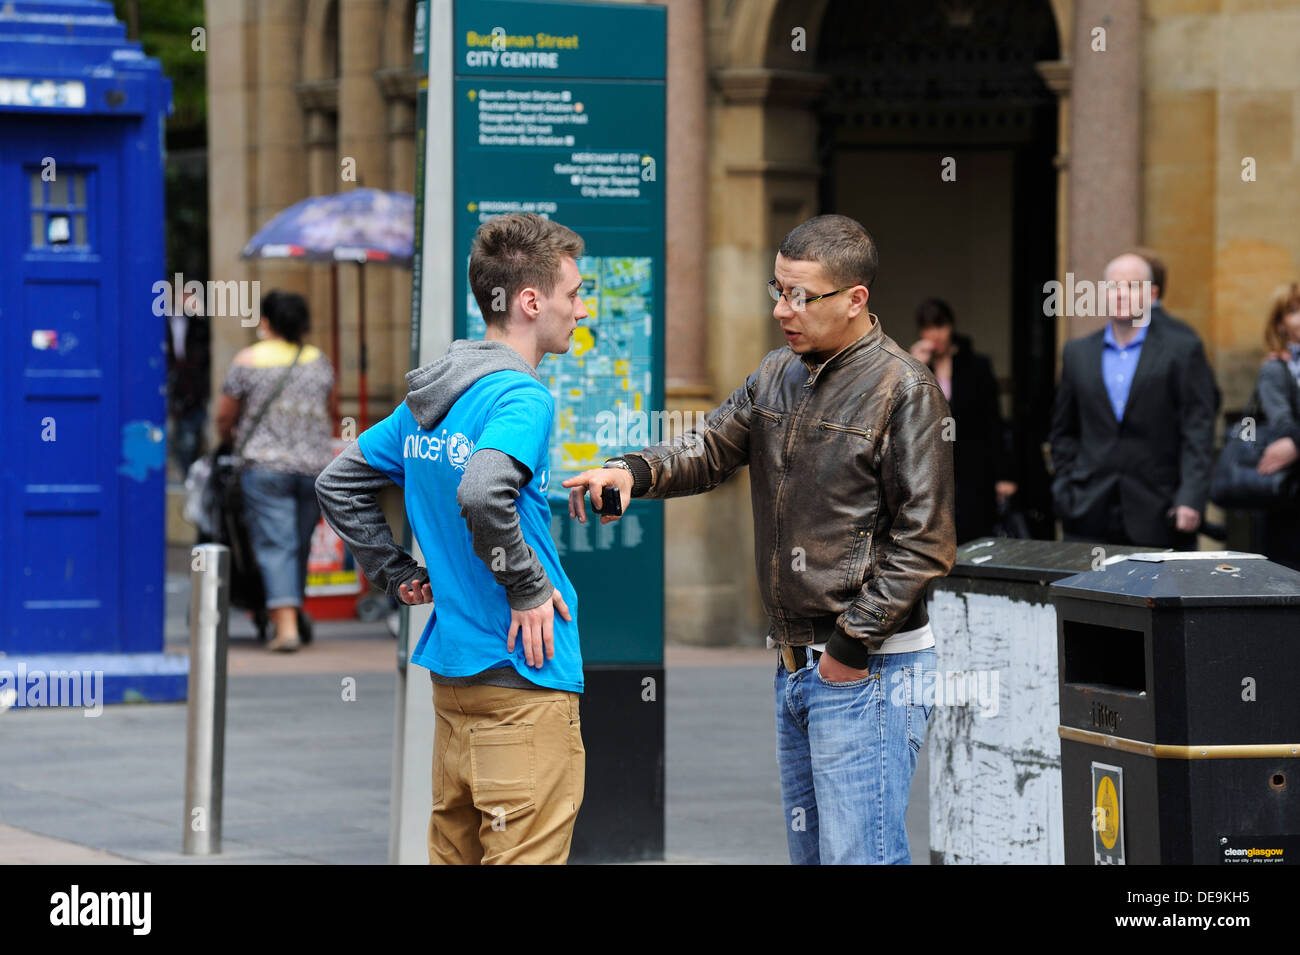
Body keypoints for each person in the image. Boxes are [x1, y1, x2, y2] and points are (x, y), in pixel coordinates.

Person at [563, 214, 956, 865]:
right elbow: (710, 445)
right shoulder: (778, 372)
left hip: (869, 666)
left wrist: (852, 646)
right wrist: (631, 470)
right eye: (777, 289)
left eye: (801, 295)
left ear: (856, 298)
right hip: (799, 662)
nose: (782, 309)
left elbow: (926, 544)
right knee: (815, 856)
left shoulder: (905, 389)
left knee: (861, 856)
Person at [315, 213, 587, 865]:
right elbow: (481, 487)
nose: (580, 310)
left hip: (457, 679)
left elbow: (338, 480)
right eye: (573, 294)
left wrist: (395, 571)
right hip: (524, 674)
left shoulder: (430, 399)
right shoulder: (522, 397)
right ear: (531, 301)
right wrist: (526, 589)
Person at [1049, 252, 1219, 549]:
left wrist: (1190, 498)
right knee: (1087, 595)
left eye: (1132, 286)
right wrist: (1066, 488)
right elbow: (1064, 431)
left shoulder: (1182, 349)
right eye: (1113, 286)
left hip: (1161, 511)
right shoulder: (1077, 353)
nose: (1121, 294)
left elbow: (1198, 431)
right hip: (1087, 511)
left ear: (1152, 294)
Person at [215, 291, 337, 652]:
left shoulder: (248, 360)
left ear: (266, 322)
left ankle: (286, 628)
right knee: (298, 544)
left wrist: (228, 440)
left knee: (275, 545)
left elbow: (225, 415)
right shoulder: (319, 362)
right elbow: (332, 408)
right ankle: (292, 613)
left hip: (264, 468)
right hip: (313, 470)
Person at [908, 297, 1017, 542]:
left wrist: (1004, 475)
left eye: (940, 326)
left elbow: (993, 422)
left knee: (973, 536)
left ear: (951, 327)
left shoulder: (976, 365)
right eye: (927, 328)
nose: (934, 334)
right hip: (932, 470)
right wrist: (914, 368)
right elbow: (908, 418)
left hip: (973, 466)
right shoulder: (915, 366)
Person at [1251, 283, 1300, 570]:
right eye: (1293, 311)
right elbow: (1282, 425)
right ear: (1280, 324)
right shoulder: (1276, 369)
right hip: (1290, 499)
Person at [165, 284, 211, 476]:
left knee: (191, 437)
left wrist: (200, 314)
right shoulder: (160, 320)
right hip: (168, 382)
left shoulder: (198, 323)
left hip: (192, 388)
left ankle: (188, 475)